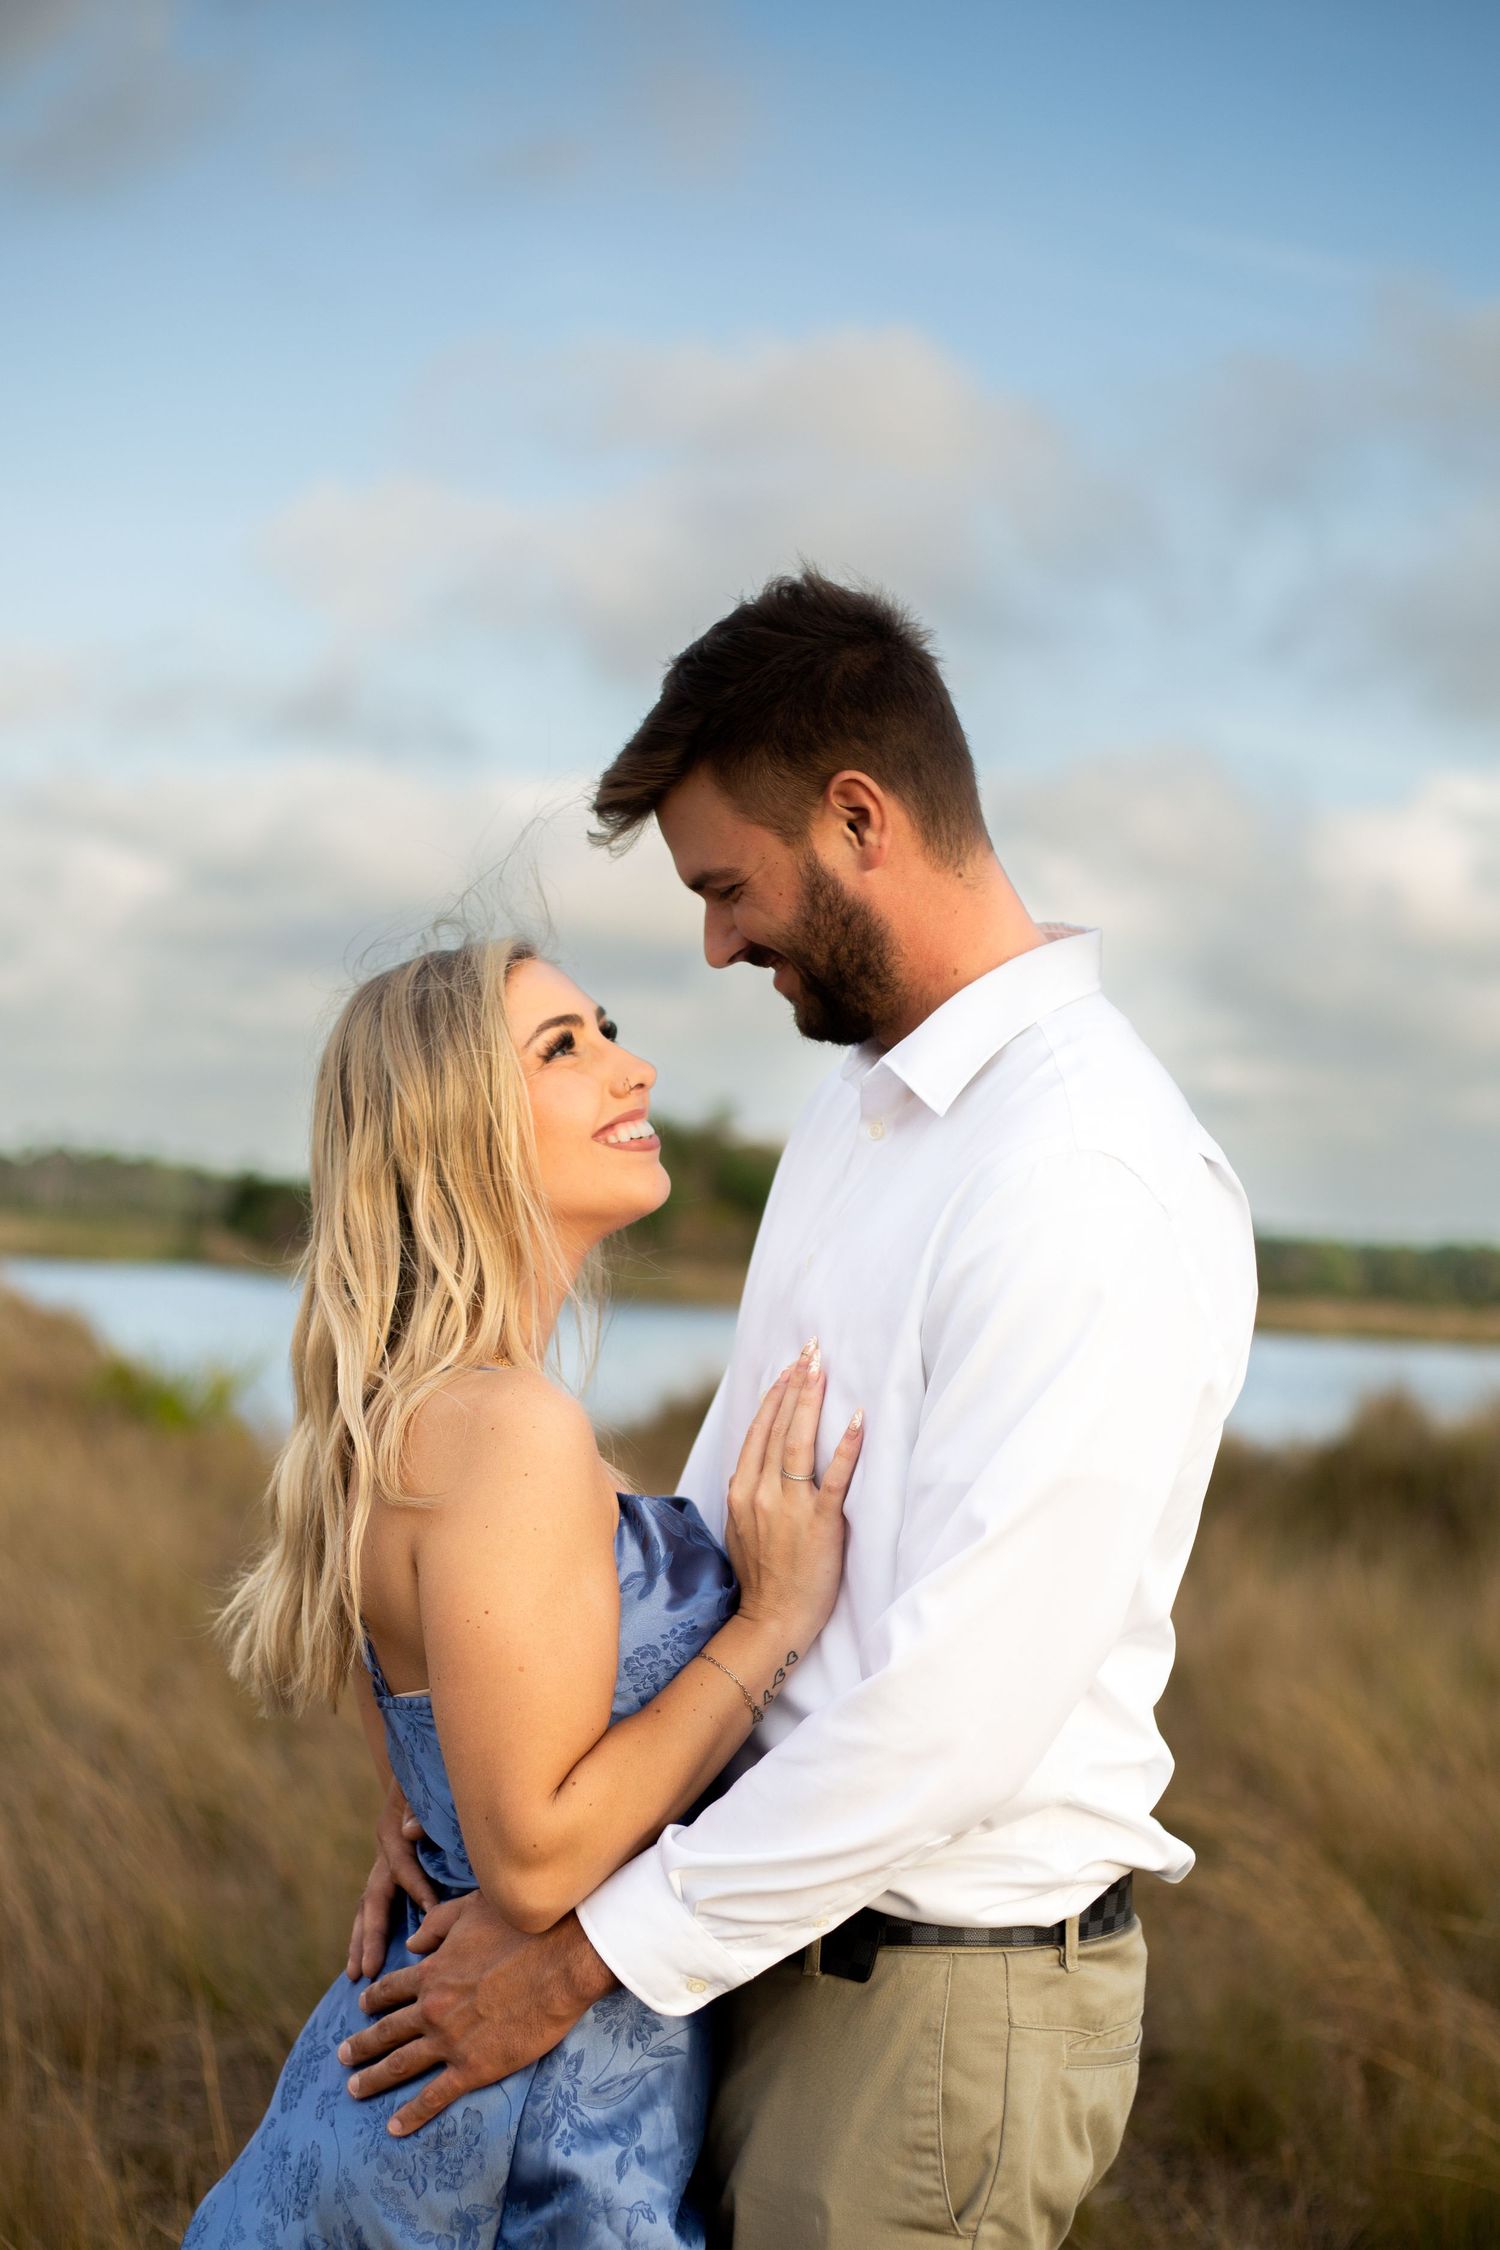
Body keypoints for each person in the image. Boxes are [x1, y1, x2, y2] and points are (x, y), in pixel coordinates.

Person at [338, 570, 1260, 2249]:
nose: (712, 945)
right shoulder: (866, 1109)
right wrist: (469, 1799)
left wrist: (577, 1952)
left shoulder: (1089, 1174)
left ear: (858, 817)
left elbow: (956, 1715)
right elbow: (702, 1547)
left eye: (727, 888)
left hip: (922, 2011)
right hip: (734, 1941)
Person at [182, 935, 864, 2247]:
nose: (633, 1066)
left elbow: (447, 1728)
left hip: (468, 2114)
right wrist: (772, 1621)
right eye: (566, 1047)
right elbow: (541, 1857)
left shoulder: (420, 1414)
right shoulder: (505, 1426)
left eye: (603, 1028)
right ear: (460, 1134)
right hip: (504, 2155)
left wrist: (419, 1805)